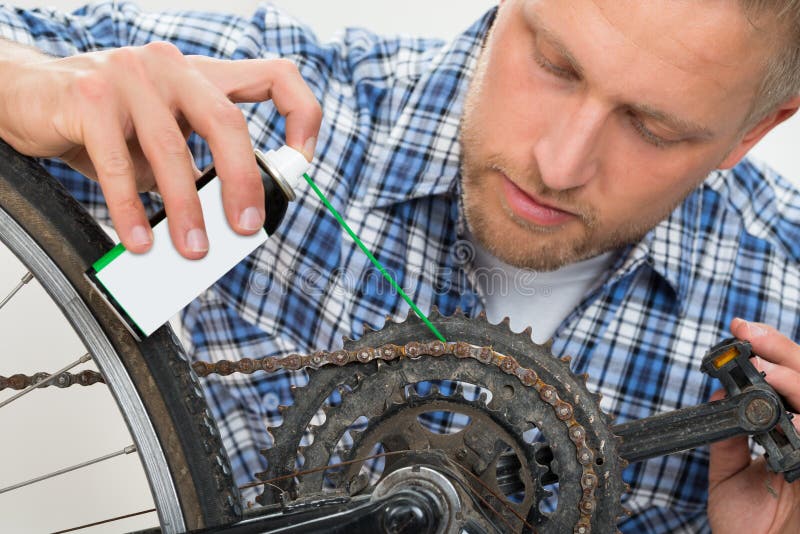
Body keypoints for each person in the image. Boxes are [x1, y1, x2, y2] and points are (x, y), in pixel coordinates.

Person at [1, 0, 799, 531]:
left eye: (653, 128)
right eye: (555, 64)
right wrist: (24, 87)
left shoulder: (785, 291)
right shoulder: (269, 101)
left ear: (756, 129)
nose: (559, 163)